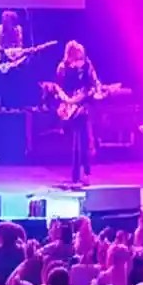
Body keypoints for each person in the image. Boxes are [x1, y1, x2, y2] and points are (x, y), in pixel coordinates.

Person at [55, 41, 101, 186]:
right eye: (76, 58)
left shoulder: (87, 65)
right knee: (76, 141)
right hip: (69, 105)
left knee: (84, 139)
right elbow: (59, 88)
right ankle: (77, 175)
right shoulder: (63, 68)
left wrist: (95, 91)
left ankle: (85, 173)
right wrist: (65, 102)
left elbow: (94, 83)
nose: (79, 61)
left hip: (84, 104)